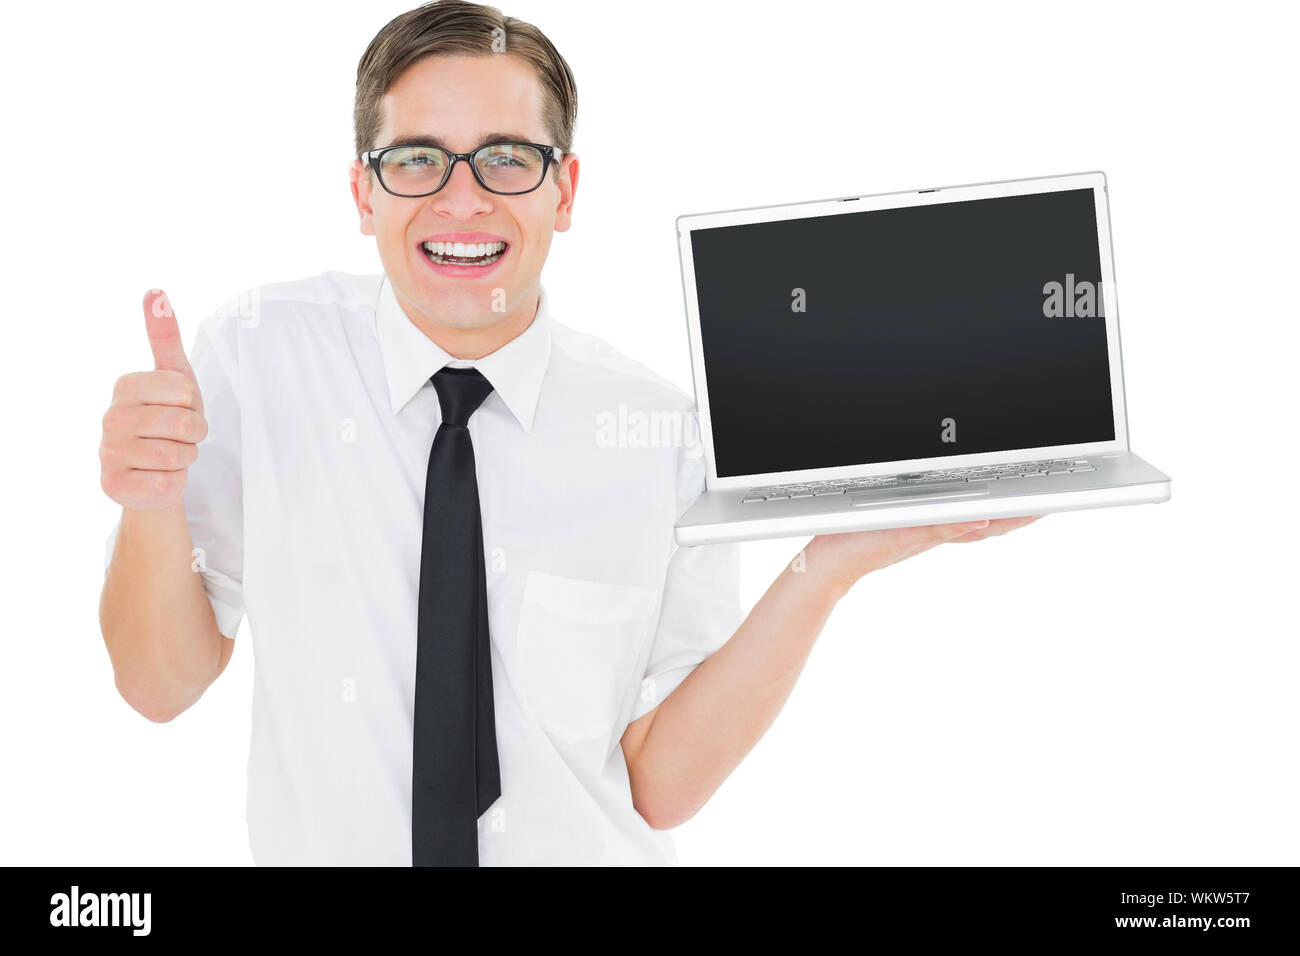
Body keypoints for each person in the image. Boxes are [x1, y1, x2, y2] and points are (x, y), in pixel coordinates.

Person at [98, 0, 1040, 866]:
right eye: (416, 158)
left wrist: (826, 564)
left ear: (567, 189)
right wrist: (151, 507)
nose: (461, 200)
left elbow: (662, 786)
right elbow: (159, 687)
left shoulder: (662, 434)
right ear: (362, 193)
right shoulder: (259, 360)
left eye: (507, 157)